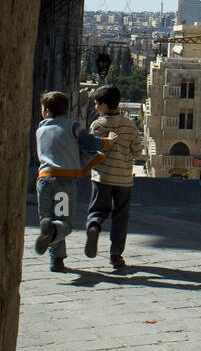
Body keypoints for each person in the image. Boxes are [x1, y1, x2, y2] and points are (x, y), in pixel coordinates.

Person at [35, 91, 117, 273]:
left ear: (47, 112)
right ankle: (53, 237)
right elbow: (91, 142)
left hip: (43, 180)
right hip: (64, 183)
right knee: (62, 222)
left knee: (47, 219)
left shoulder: (40, 129)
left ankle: (56, 260)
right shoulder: (73, 126)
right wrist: (108, 142)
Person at [85, 84, 146, 270]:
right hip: (123, 179)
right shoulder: (129, 125)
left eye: (96, 104)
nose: (95, 108)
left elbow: (91, 149)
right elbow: (137, 151)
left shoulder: (98, 125)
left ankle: (94, 227)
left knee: (98, 210)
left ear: (103, 105)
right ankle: (116, 254)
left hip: (102, 177)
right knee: (121, 217)